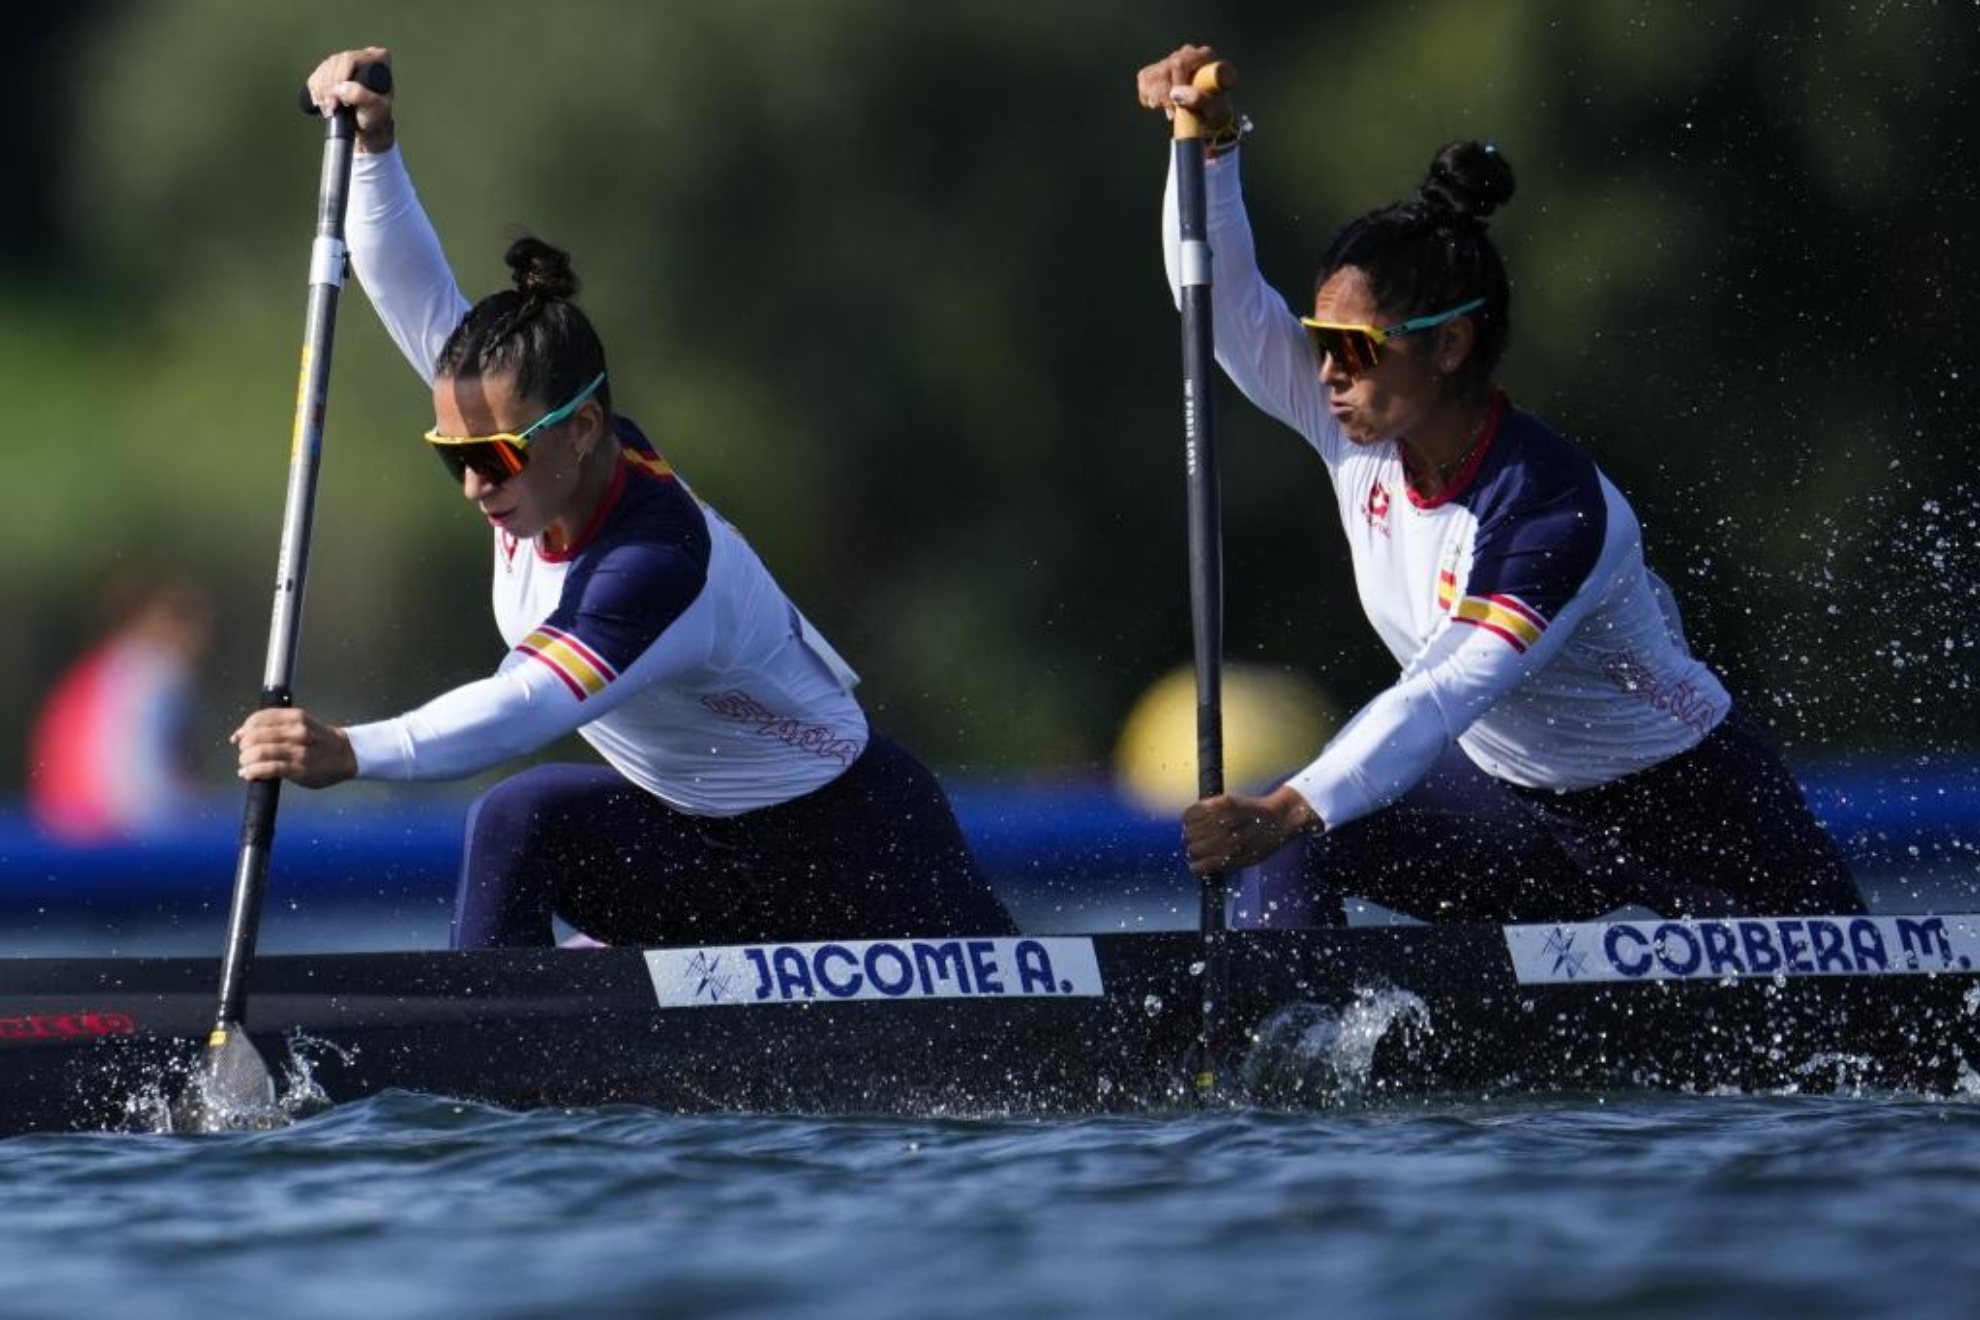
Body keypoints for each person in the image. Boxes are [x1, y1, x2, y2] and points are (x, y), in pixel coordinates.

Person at [232, 46, 1015, 950]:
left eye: (492, 457)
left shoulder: (654, 559)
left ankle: (500, 1049)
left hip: (856, 856)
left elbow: (527, 706)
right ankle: (499, 1058)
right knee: (520, 822)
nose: (477, 483)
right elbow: (410, 290)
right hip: (695, 844)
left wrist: (353, 749)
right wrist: (374, 149)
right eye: (453, 458)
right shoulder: (535, 438)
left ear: (585, 428)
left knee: (517, 804)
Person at [1135, 43, 1863, 926]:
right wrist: (1209, 152)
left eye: (1357, 347)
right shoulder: (1355, 422)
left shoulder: (1552, 507)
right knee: (1299, 846)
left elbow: (1441, 690)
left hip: (1692, 815)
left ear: (1450, 345)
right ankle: (1287, 1051)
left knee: (1292, 813)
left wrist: (1286, 806)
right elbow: (1219, 304)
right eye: (1323, 342)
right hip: (1510, 809)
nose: (1329, 372)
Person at [29, 572, 216, 842]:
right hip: (111, 838)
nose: (203, 640)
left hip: (63, 832)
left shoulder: (102, 668)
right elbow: (142, 789)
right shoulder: (157, 670)